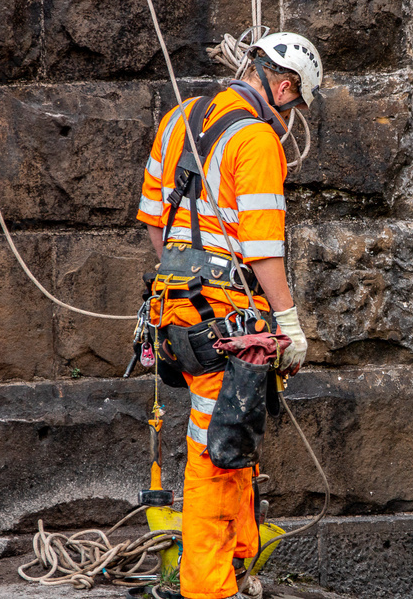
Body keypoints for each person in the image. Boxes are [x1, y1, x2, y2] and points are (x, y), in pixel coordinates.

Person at [136, 31, 323, 599]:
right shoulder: (258, 140)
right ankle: (208, 587)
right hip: (224, 317)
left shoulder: (179, 118)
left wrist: (186, 272)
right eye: (295, 105)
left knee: (231, 428)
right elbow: (264, 247)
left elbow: (152, 219)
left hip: (174, 305)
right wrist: (287, 323)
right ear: (284, 86)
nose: (291, 118)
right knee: (217, 446)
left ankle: (240, 557)